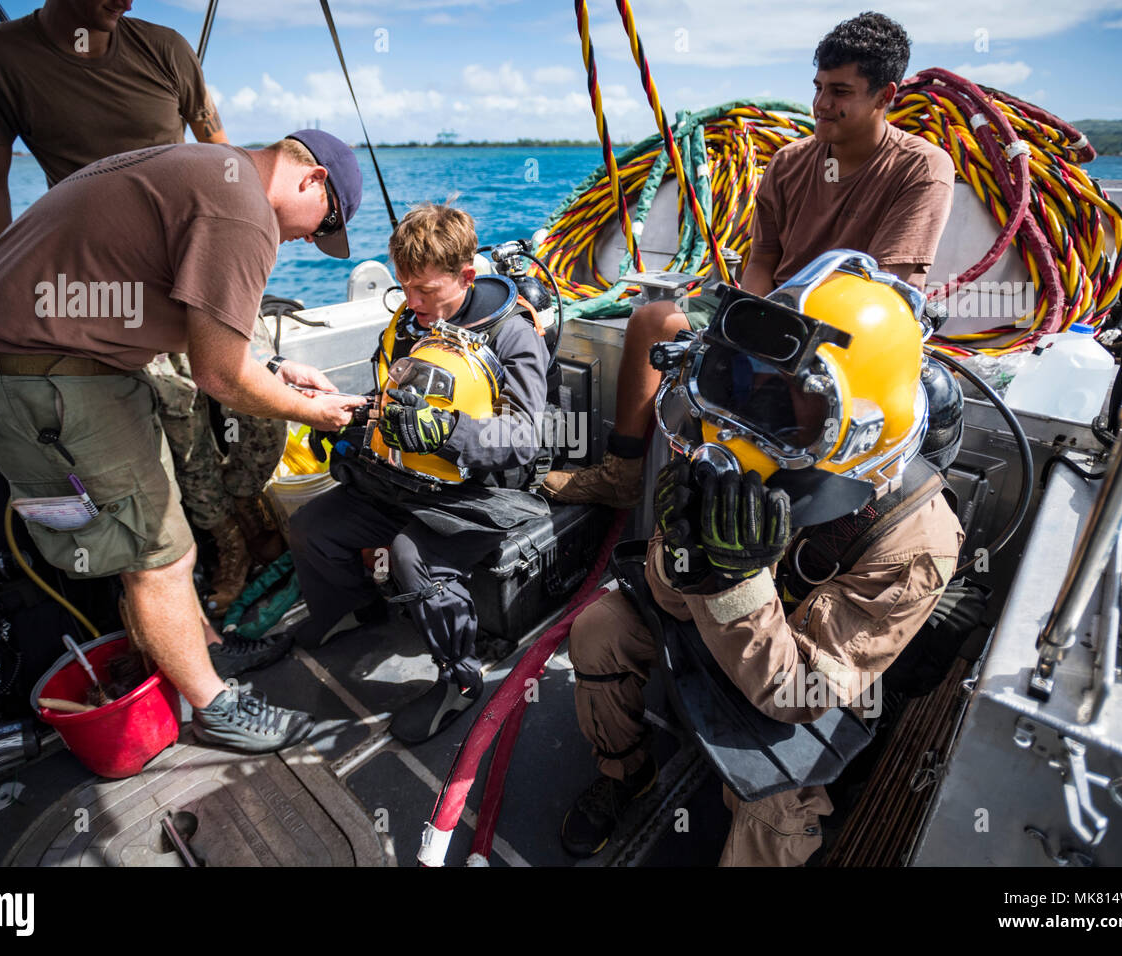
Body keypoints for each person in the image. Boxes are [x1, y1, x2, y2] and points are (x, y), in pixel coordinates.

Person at [0, 130, 367, 753]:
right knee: (158, 554)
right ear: (313, 179)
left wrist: (275, 370)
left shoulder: (206, 169)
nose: (306, 240)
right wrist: (316, 414)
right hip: (43, 379)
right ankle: (214, 709)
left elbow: (187, 324)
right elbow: (220, 376)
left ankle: (210, 651)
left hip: (60, 365)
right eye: (322, 224)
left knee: (160, 533)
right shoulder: (241, 210)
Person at [559, 251, 965, 864]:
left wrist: (734, 578)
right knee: (598, 629)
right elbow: (666, 593)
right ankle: (626, 773)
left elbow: (796, 693)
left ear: (853, 428)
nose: (747, 422)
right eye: (748, 382)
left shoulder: (915, 543)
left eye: (790, 399)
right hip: (725, 625)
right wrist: (691, 549)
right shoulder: (728, 443)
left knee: (774, 812)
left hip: (799, 681)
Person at [0, 0, 287, 617]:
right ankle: (230, 545)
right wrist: (9, 283)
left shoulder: (165, 47)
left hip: (207, 262)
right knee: (186, 440)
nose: (127, 2)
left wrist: (245, 258)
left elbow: (223, 153)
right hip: (113, 296)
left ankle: (251, 505)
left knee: (265, 415)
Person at [543, 12, 955, 510]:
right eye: (818, 86)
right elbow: (762, 260)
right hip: (772, 313)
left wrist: (774, 353)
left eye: (841, 92)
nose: (821, 104)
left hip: (847, 340)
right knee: (652, 319)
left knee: (801, 390)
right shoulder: (790, 162)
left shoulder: (921, 168)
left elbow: (888, 291)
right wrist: (742, 335)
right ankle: (622, 474)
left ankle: (779, 512)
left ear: (885, 95)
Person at [287, 204, 551, 744]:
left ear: (467, 277)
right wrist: (347, 411)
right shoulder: (410, 322)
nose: (413, 303)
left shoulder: (512, 335)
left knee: (415, 558)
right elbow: (390, 395)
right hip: (402, 477)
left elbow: (525, 439)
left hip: (477, 492)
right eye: (404, 288)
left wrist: (448, 433)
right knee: (313, 527)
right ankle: (350, 610)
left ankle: (460, 678)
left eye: (426, 291)